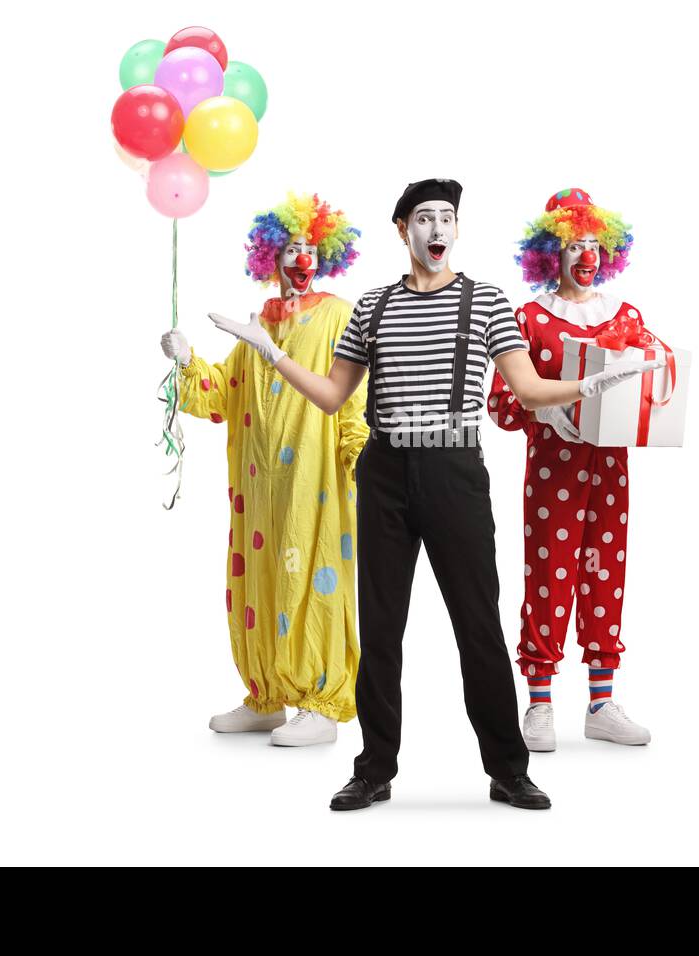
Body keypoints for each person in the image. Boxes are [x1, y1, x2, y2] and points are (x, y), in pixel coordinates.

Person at [207, 178, 659, 808]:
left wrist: (593, 385)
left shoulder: (488, 303)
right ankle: (373, 769)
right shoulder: (372, 307)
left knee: (478, 623)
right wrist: (269, 353)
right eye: (425, 218)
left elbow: (527, 390)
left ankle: (508, 768)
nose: (437, 228)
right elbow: (336, 396)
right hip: (385, 471)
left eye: (447, 217)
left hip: (455, 470)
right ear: (403, 230)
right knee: (382, 626)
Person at [160, 192, 367, 747]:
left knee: (314, 575)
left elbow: (353, 396)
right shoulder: (260, 324)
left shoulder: (338, 316)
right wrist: (186, 360)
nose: (302, 260)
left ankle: (320, 702)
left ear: (325, 257)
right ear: (271, 259)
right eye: (291, 249)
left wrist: (358, 456)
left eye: (310, 250)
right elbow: (226, 395)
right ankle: (266, 695)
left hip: (315, 483)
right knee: (258, 579)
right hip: (257, 490)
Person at [488, 188, 653, 751]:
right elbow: (501, 404)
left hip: (611, 471)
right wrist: (545, 410)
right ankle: (538, 704)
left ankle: (602, 702)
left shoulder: (626, 317)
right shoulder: (529, 318)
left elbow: (654, 386)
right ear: (549, 254)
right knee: (549, 577)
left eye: (595, 244)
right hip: (553, 474)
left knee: (606, 573)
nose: (587, 255)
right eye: (574, 245)